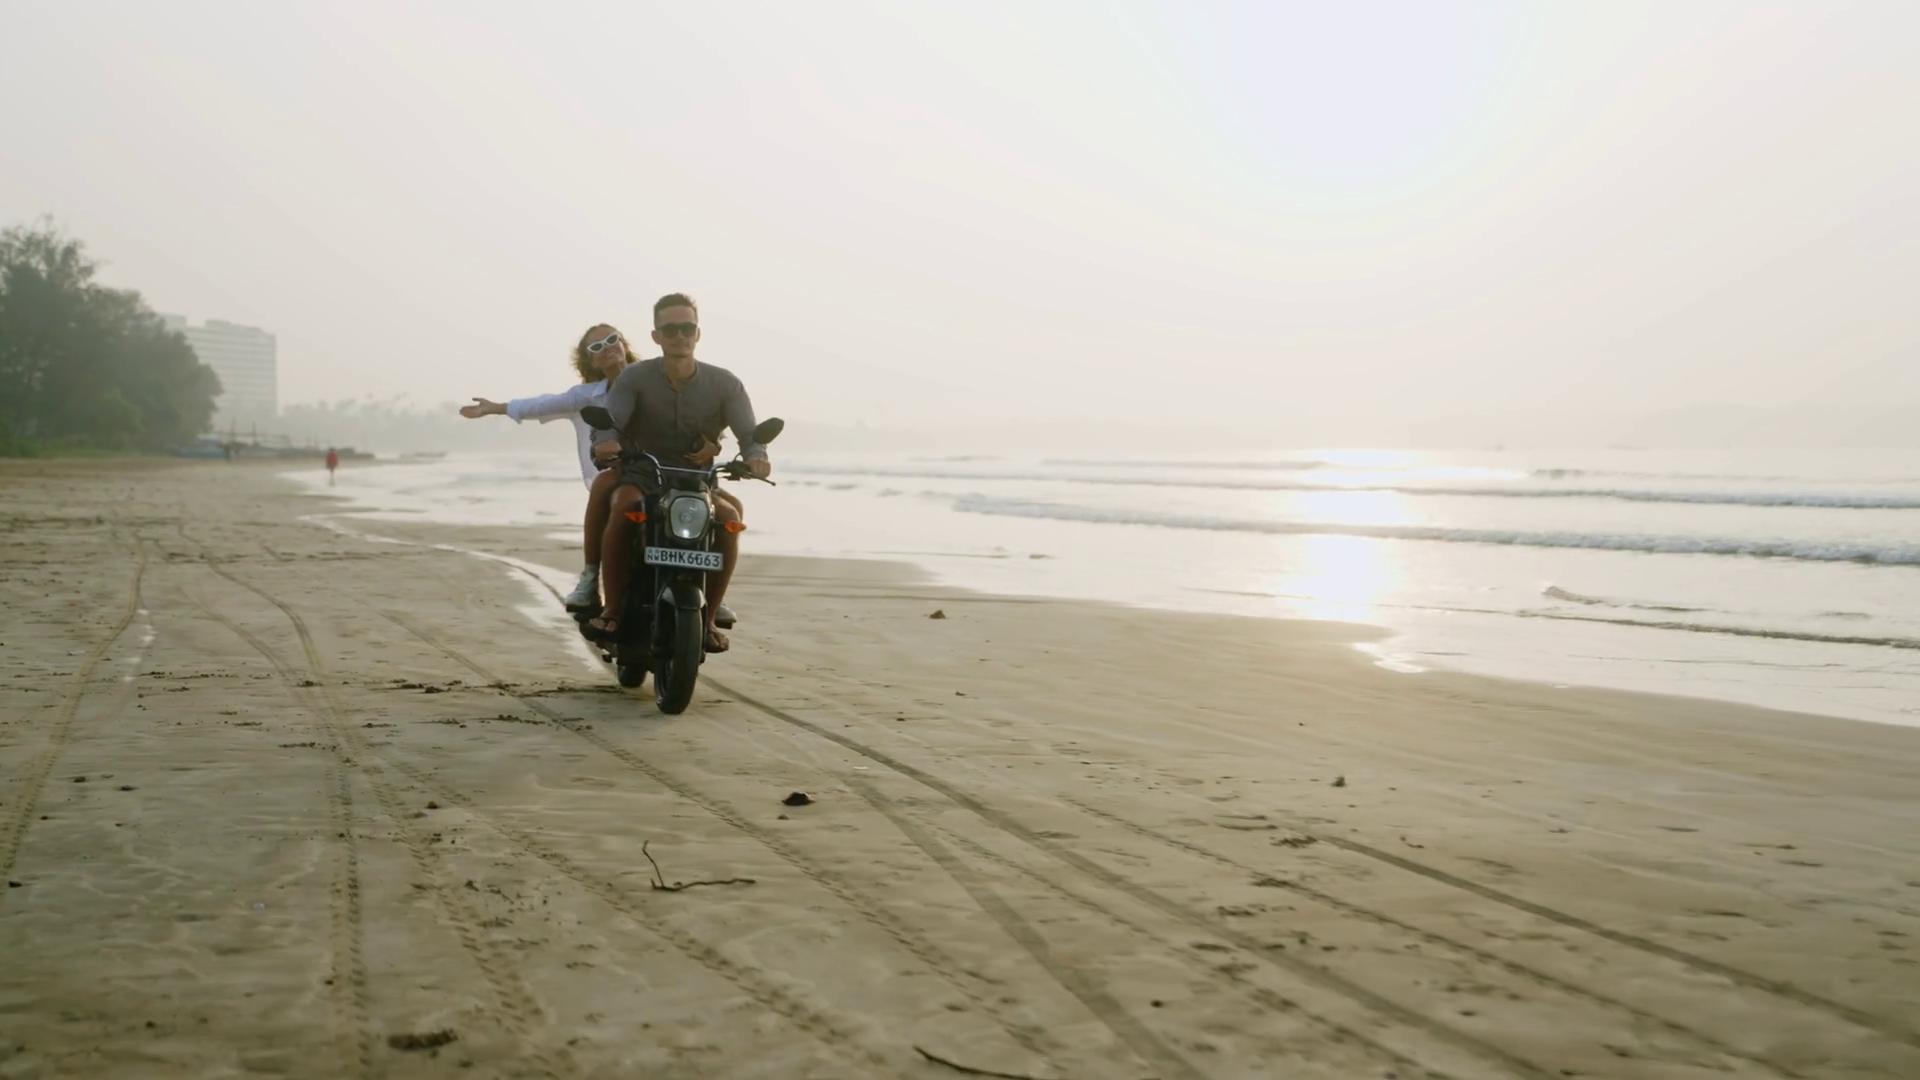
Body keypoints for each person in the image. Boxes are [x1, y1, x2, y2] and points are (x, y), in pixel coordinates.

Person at [589, 293, 769, 652]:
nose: (679, 336)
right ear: (656, 336)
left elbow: (749, 435)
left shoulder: (725, 383)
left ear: (697, 333)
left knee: (730, 519)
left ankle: (710, 617)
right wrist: (606, 442)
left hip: (698, 483)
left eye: (687, 328)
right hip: (645, 477)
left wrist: (756, 456)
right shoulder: (635, 378)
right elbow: (610, 422)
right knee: (624, 505)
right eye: (670, 329)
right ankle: (613, 609)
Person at [459, 324, 635, 610]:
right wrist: (496, 408)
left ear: (624, 343)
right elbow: (542, 404)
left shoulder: (653, 381)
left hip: (655, 471)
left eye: (612, 339)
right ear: (591, 361)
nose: (607, 347)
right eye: (597, 346)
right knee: (604, 495)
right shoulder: (585, 397)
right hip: (608, 478)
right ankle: (590, 578)